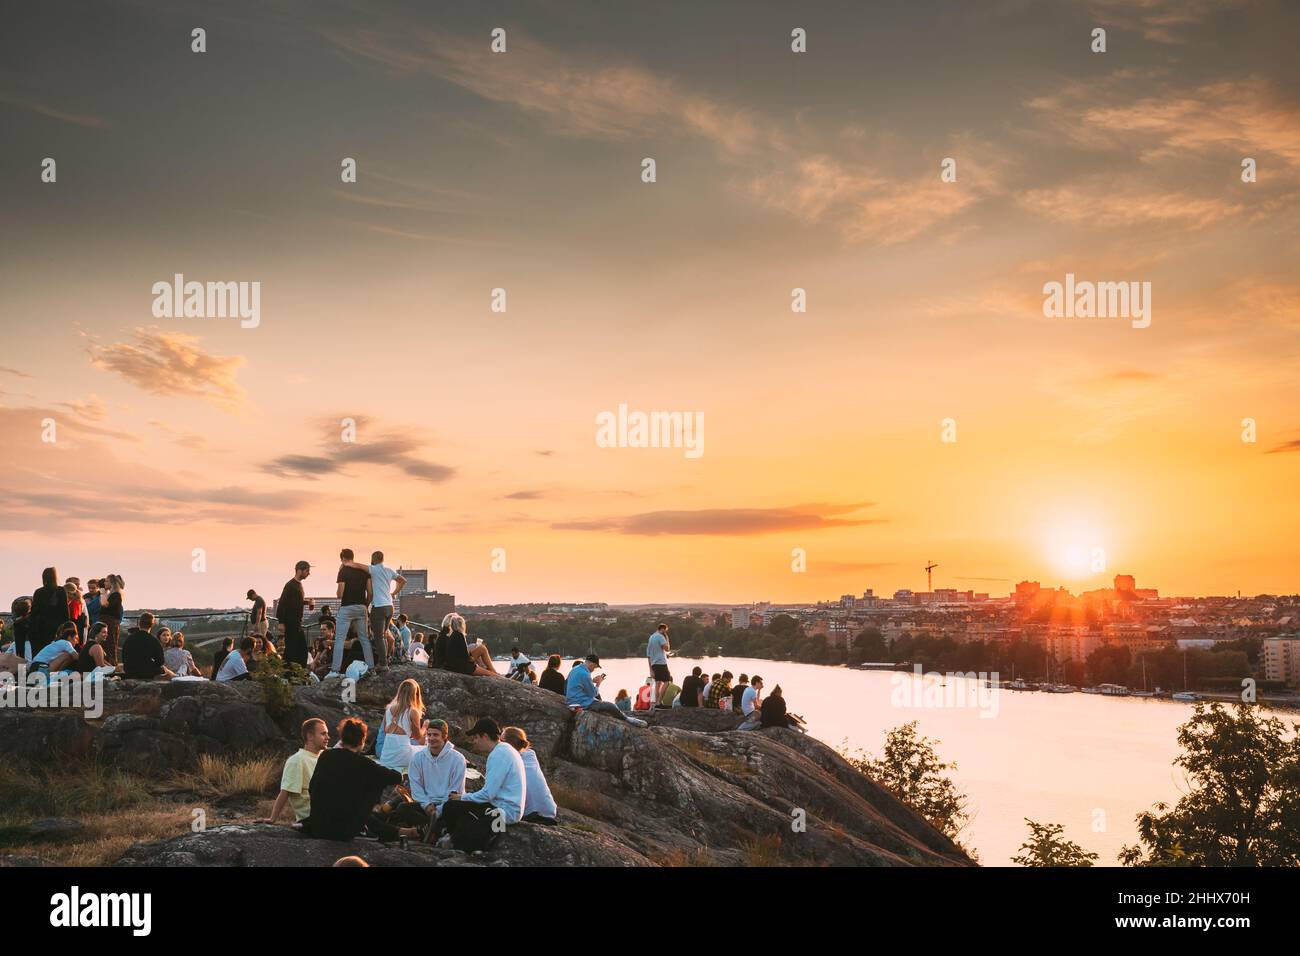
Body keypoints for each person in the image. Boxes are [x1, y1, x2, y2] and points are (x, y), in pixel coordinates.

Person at [303, 718, 414, 843]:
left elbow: (312, 786)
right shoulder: (365, 764)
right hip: (343, 832)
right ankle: (396, 831)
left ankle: (398, 831)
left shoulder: (326, 756)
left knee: (348, 796)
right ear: (362, 740)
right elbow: (396, 777)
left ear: (342, 738)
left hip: (318, 825)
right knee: (367, 788)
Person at [429, 718, 524, 845]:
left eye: (475, 738)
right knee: (457, 807)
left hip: (504, 811)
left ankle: (451, 838)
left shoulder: (498, 755)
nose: (474, 742)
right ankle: (448, 835)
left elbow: (488, 794)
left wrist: (462, 797)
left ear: (485, 736)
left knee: (451, 806)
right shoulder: (505, 749)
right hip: (507, 807)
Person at [340, 551, 405, 673]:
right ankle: (384, 660)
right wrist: (394, 593)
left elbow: (358, 566)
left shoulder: (374, 569)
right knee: (384, 635)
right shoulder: (389, 570)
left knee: (378, 636)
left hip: (379, 607)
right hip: (390, 607)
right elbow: (403, 581)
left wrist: (346, 563)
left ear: (373, 559)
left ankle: (383, 664)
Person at [407, 718, 466, 834]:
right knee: (402, 809)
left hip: (448, 805)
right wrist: (427, 805)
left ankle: (427, 829)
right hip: (427, 805)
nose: (431, 738)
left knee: (455, 809)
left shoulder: (458, 759)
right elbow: (416, 786)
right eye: (429, 735)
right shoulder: (418, 757)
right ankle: (436, 829)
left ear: (444, 736)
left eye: (435, 735)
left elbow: (455, 790)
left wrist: (438, 810)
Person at [266, 718, 330, 824]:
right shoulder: (297, 760)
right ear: (310, 736)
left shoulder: (325, 757)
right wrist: (273, 818)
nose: (328, 737)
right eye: (323, 734)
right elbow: (285, 791)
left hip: (329, 812)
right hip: (313, 818)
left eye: (327, 734)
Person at [565, 654, 647, 726]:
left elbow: (576, 684)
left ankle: (626, 718)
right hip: (580, 703)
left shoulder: (576, 668)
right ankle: (627, 719)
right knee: (610, 706)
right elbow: (593, 694)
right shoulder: (585, 674)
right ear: (591, 664)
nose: (594, 669)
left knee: (602, 704)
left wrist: (592, 681)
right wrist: (598, 683)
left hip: (571, 701)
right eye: (595, 667)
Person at [330, 549, 374, 677]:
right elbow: (370, 593)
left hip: (347, 607)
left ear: (342, 558)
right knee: (364, 639)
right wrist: (365, 605)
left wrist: (339, 574)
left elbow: (340, 594)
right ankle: (371, 668)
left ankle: (335, 670)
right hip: (361, 607)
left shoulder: (343, 571)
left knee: (339, 639)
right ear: (352, 557)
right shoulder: (363, 571)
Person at [502, 726, 557, 824]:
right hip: (549, 811)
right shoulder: (530, 755)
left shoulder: (509, 759)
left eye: (501, 741)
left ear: (505, 743)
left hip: (530, 814)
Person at [377, 678, 426, 771]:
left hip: (385, 758)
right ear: (415, 695)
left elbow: (386, 731)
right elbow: (417, 737)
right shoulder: (412, 711)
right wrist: (425, 727)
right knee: (428, 751)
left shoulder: (388, 708)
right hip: (403, 757)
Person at [434, 613, 499, 677]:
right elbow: (465, 657)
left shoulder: (445, 634)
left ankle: (489, 670)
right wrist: (471, 658)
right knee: (482, 648)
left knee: (479, 648)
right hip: (460, 666)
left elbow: (454, 652)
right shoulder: (456, 635)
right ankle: (493, 672)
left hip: (452, 664)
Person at [276, 561, 313, 668]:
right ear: (299, 570)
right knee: (292, 650)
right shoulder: (290, 585)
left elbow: (295, 602)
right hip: (290, 622)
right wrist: (281, 622)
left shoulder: (299, 585)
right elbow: (282, 603)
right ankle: (287, 674)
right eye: (307, 571)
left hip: (297, 622)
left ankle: (296, 674)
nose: (308, 573)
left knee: (300, 649)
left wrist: (307, 602)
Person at [29, 567, 71, 658]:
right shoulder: (61, 591)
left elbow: (34, 613)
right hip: (57, 628)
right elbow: (65, 612)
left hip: (41, 628)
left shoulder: (38, 592)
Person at [122, 612, 175, 680]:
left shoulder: (129, 639)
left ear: (139, 624)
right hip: (146, 673)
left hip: (129, 671)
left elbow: (124, 658)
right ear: (152, 625)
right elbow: (160, 661)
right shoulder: (153, 640)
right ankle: (177, 677)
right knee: (163, 670)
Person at [99, 574, 125, 665]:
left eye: (106, 581)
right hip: (106, 621)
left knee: (110, 644)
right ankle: (108, 664)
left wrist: (102, 592)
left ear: (112, 583)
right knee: (106, 644)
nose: (104, 583)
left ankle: (112, 664)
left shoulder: (116, 594)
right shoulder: (111, 594)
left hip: (110, 622)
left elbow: (105, 604)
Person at [646, 622, 671, 704]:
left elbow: (648, 655)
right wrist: (667, 637)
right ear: (663, 629)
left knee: (658, 683)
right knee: (667, 681)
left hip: (654, 664)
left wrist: (650, 669)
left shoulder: (651, 637)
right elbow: (667, 649)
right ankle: (659, 701)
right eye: (665, 631)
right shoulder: (660, 637)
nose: (665, 632)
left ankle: (657, 702)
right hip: (661, 662)